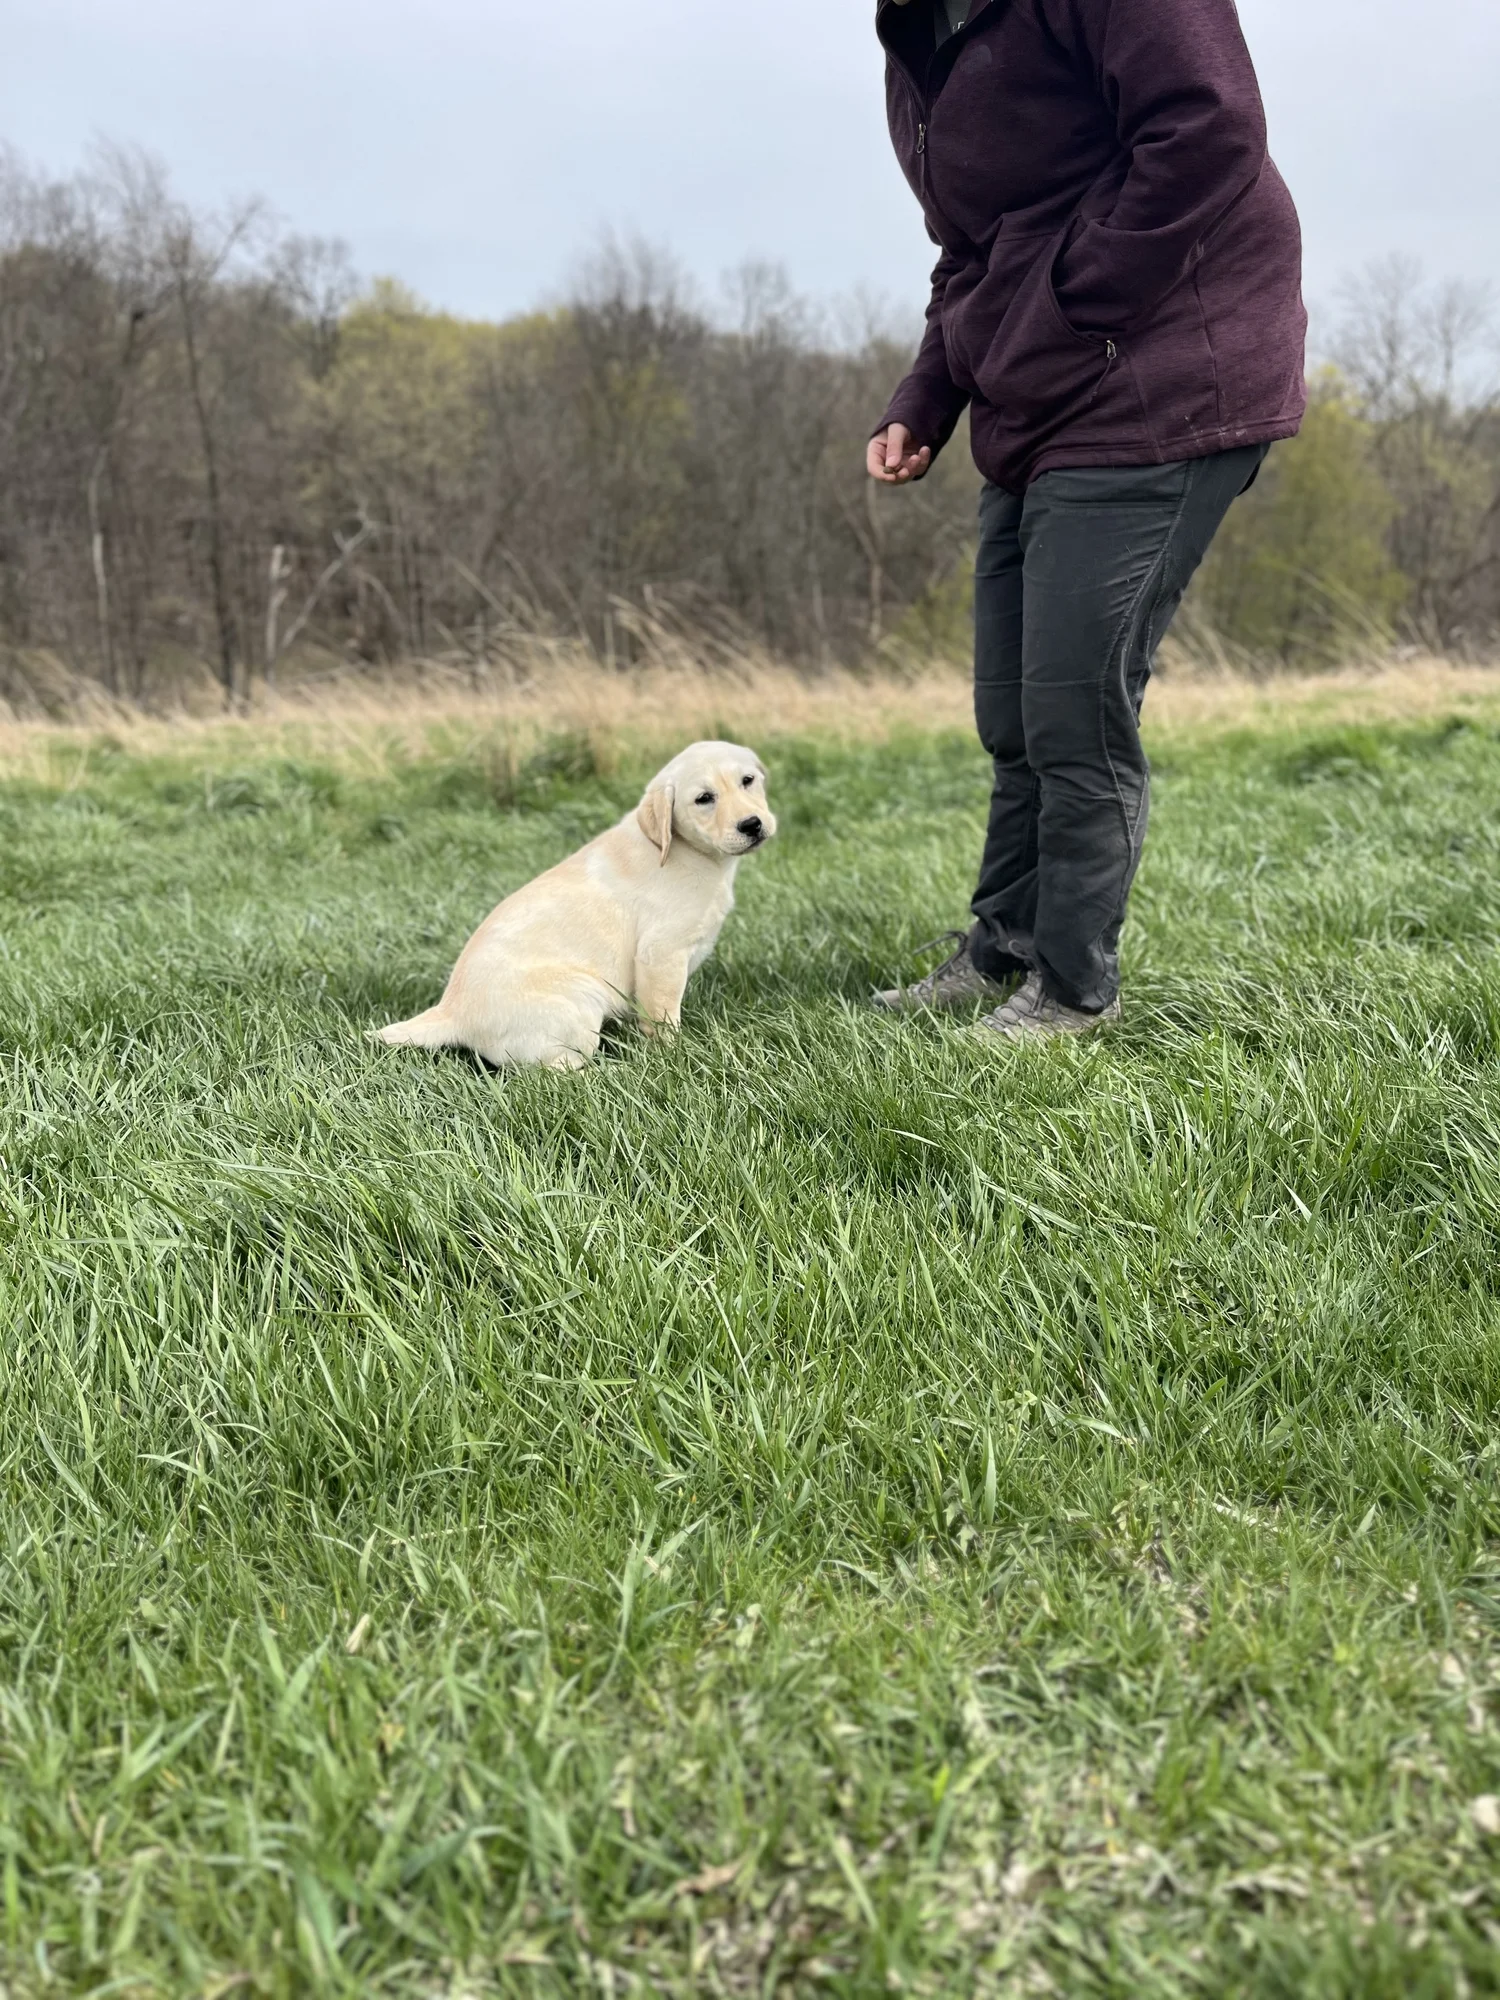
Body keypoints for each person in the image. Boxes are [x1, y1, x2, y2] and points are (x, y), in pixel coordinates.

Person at [869, 0, 1306, 1039]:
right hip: (1046, 385)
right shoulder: (914, 31)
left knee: (1074, 707)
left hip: (1166, 372)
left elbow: (1211, 131)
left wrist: (1077, 299)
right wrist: (925, 397)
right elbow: (971, 248)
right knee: (1013, 709)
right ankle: (1001, 946)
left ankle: (1071, 988)